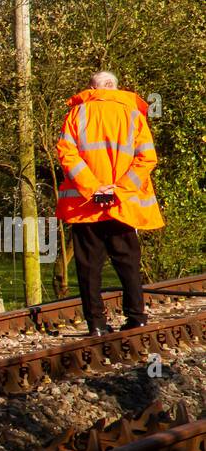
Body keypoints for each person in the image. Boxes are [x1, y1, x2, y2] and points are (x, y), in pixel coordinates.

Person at [55, 70, 164, 335]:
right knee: (128, 262)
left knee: (89, 267)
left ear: (93, 88)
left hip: (85, 206)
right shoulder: (134, 115)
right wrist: (120, 190)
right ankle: (137, 317)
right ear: (114, 87)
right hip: (122, 205)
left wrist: (94, 189)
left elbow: (66, 155)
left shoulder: (76, 115)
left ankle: (96, 325)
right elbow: (147, 158)